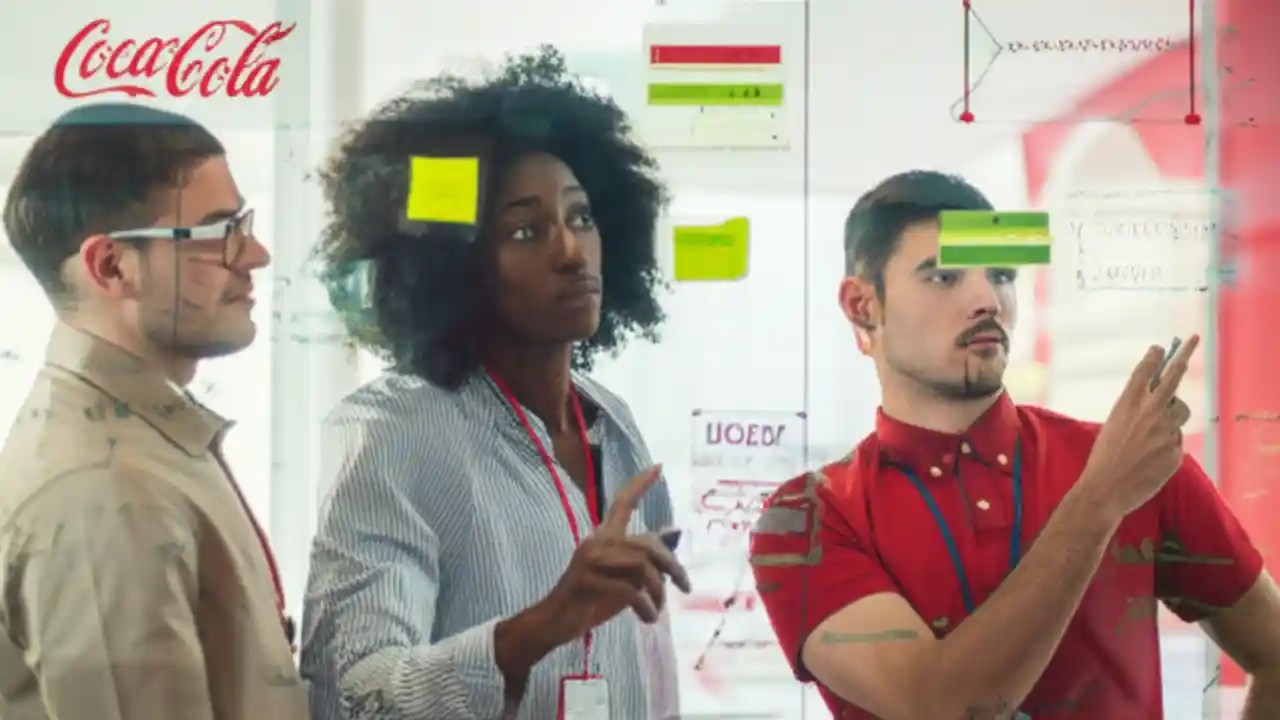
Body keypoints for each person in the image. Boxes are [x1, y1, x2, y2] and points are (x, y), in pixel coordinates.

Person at [749, 170, 1280, 719]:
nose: (988, 300)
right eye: (944, 277)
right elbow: (940, 708)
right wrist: (1099, 499)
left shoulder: (1135, 465)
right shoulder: (809, 518)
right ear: (863, 306)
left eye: (1002, 275)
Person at [300, 45, 690, 720]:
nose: (570, 251)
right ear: (453, 262)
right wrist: (537, 629)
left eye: (581, 217)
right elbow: (355, 693)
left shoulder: (613, 422)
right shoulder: (393, 432)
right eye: (525, 230)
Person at [0, 103, 308, 720]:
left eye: (242, 224)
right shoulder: (103, 490)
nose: (255, 255)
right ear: (112, 266)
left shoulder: (145, 439)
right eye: (219, 232)